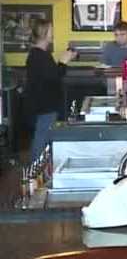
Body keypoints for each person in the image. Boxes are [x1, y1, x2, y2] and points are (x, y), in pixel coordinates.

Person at [25, 20, 76, 160]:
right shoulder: (39, 55)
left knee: (43, 137)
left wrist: (63, 62)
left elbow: (50, 76)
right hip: (45, 106)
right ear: (44, 33)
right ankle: (35, 170)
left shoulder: (38, 54)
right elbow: (54, 76)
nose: (53, 33)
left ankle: (39, 168)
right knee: (42, 138)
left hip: (44, 105)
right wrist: (63, 62)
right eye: (51, 30)